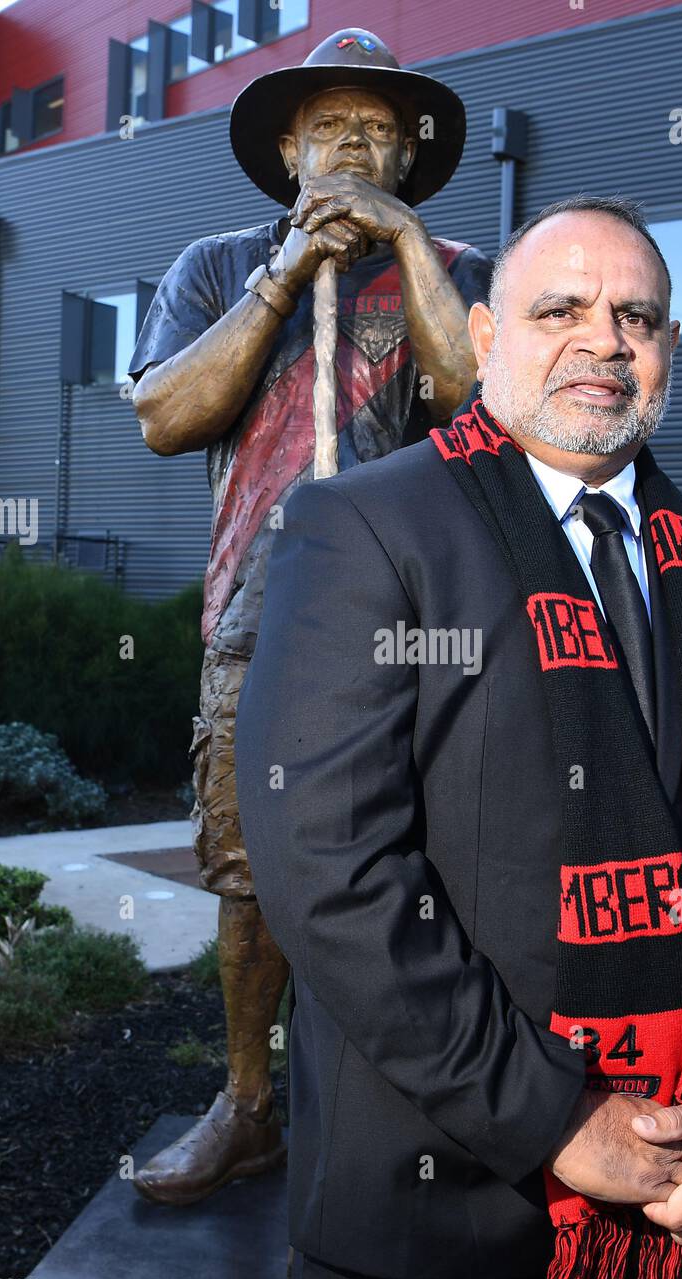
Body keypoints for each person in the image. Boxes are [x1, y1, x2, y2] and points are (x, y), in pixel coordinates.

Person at [234, 194, 682, 1279]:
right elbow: (331, 872)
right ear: (481, 340)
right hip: (421, 1235)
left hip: (663, 1219)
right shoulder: (367, 530)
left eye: (638, 318)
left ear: (668, 353)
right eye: (559, 306)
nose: (603, 340)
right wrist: (556, 1115)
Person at [126, 28, 491, 1205]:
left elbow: (475, 408)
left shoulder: (454, 265)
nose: (353, 145)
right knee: (250, 874)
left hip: (421, 613)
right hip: (259, 613)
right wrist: (283, 275)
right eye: (330, 126)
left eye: (378, 131)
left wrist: (402, 247)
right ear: (288, 149)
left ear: (407, 159)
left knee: (430, 858)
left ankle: (412, 1106)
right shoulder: (212, 262)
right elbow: (167, 415)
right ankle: (247, 1105)